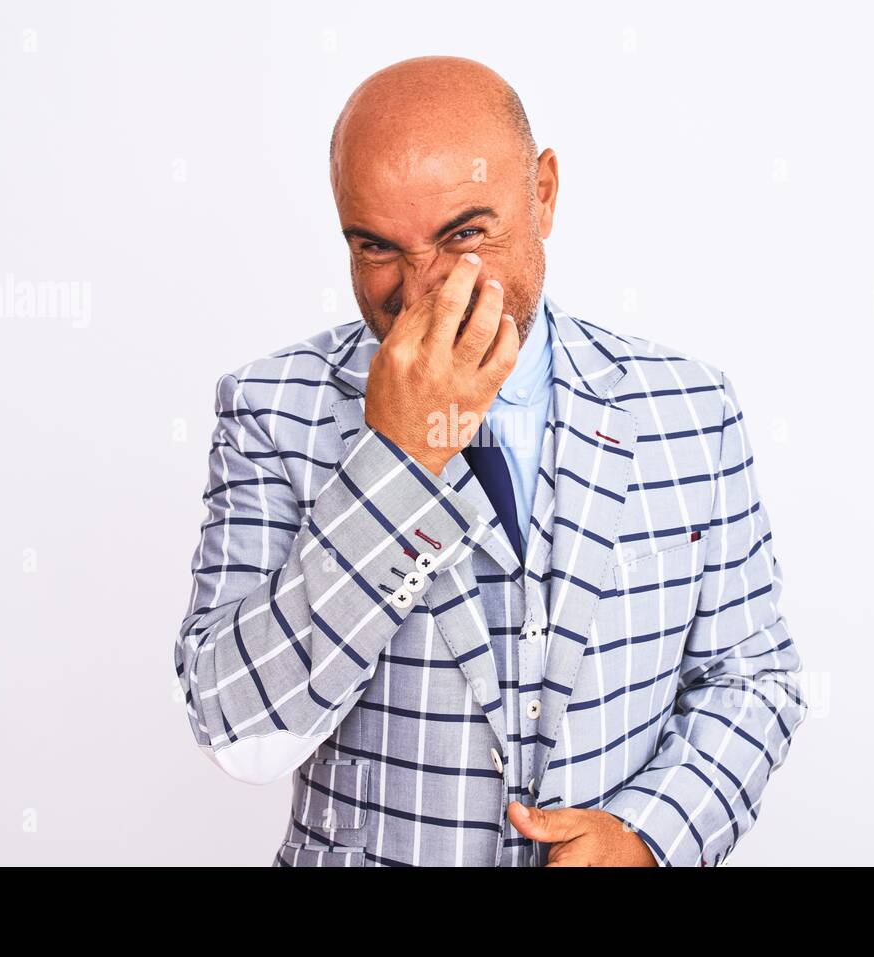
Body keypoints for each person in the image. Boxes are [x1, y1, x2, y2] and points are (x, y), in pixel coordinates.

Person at [175, 55, 808, 867]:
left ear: (543, 194)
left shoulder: (689, 405)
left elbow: (752, 677)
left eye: (464, 234)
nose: (424, 288)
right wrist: (400, 458)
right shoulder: (270, 407)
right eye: (377, 248)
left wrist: (651, 836)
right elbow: (238, 733)